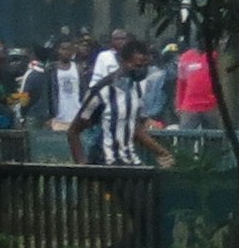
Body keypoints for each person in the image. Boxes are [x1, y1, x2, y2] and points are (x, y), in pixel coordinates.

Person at [71, 39, 167, 168]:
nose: (142, 70)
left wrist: (161, 152)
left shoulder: (136, 88)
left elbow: (134, 127)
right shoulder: (101, 90)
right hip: (105, 162)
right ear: (123, 62)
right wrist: (82, 166)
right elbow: (73, 131)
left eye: (145, 66)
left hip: (130, 161)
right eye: (138, 65)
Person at [171, 33, 220, 135]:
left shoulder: (216, 56)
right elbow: (181, 83)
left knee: (213, 140)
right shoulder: (185, 57)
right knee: (185, 139)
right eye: (200, 39)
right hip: (189, 106)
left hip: (211, 106)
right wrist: (178, 105)